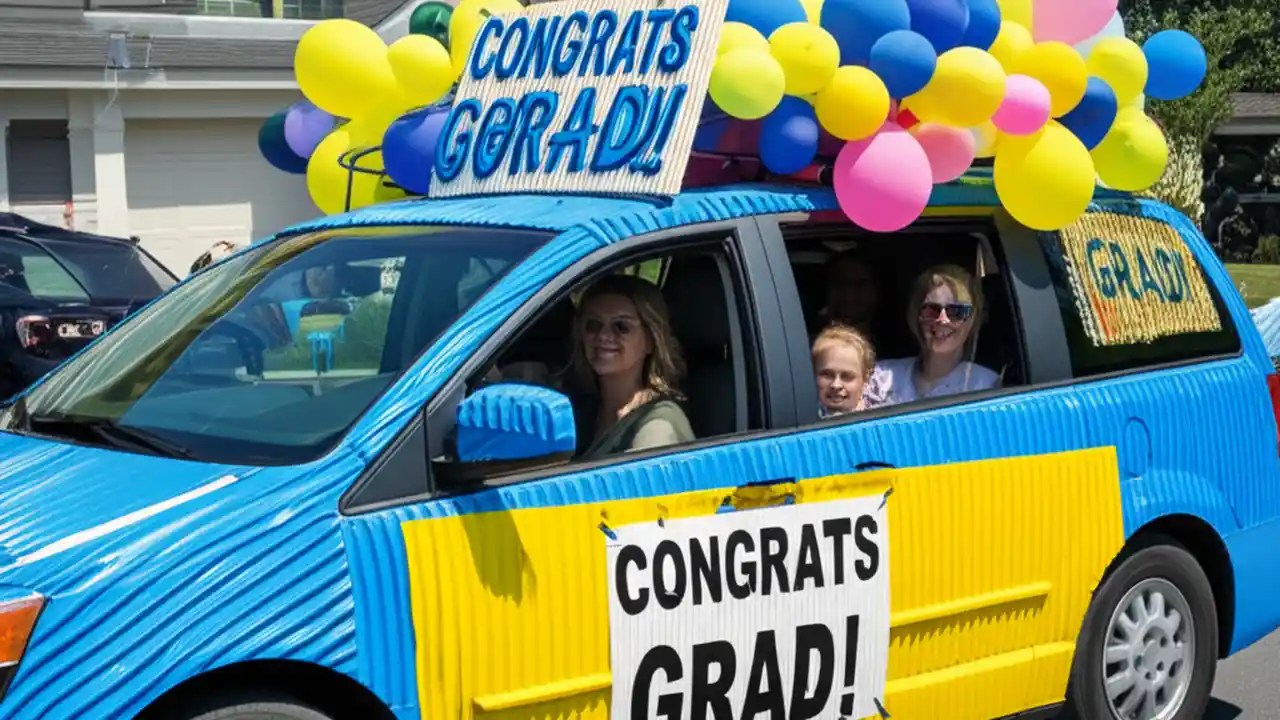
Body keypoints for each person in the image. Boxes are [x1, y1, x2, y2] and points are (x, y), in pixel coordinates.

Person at [566, 274, 695, 460]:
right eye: (593, 325)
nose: (603, 335)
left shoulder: (658, 424)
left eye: (621, 326)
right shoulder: (582, 411)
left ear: (651, 340)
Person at [865, 264, 999, 407]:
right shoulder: (881, 378)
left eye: (957, 311)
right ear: (916, 315)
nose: (942, 319)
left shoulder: (986, 386)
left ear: (973, 319)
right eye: (931, 310)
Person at [812, 323, 876, 418]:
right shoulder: (801, 420)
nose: (836, 385)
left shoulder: (878, 421)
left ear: (865, 380)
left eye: (847, 376)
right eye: (827, 375)